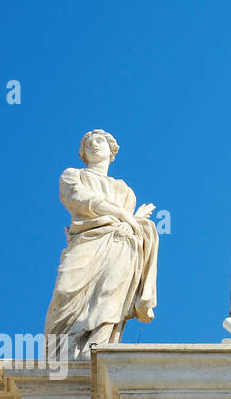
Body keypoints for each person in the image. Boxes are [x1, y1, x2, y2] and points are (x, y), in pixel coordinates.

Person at [44, 130, 159, 358]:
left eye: (100, 141)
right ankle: (60, 355)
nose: (94, 145)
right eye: (88, 143)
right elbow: (78, 198)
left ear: (111, 150)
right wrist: (123, 214)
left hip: (121, 244)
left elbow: (130, 223)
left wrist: (135, 221)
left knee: (110, 295)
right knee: (65, 291)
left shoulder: (125, 190)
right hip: (87, 241)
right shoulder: (72, 174)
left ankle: (94, 349)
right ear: (83, 154)